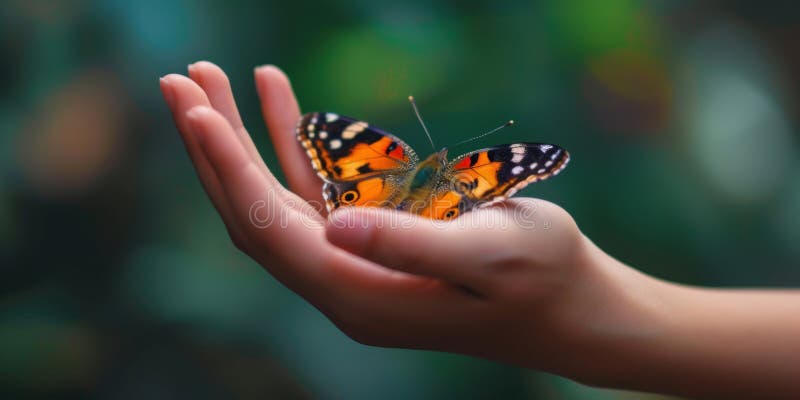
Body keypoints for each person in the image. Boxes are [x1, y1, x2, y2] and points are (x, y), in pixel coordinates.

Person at [160, 61, 800, 399]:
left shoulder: (400, 159)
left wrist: (590, 313)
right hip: (434, 209)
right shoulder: (464, 174)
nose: (439, 167)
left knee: (364, 195)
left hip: (375, 198)